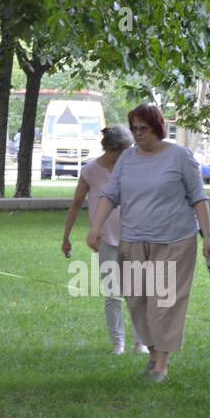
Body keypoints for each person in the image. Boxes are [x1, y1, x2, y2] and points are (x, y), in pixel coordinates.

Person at [88, 103, 210, 383]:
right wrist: (95, 228)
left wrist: (208, 237)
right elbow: (110, 195)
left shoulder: (180, 157)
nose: (138, 134)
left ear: (158, 127)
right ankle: (153, 352)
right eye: (133, 129)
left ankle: (161, 364)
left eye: (143, 128)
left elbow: (199, 198)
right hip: (132, 239)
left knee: (163, 302)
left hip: (174, 240)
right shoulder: (127, 159)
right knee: (137, 302)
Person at [62, 124, 147, 355]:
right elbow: (76, 204)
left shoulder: (133, 168)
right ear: (113, 150)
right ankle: (117, 343)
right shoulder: (90, 171)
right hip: (105, 240)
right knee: (113, 294)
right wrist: (66, 237)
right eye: (125, 150)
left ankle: (141, 342)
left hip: (134, 237)